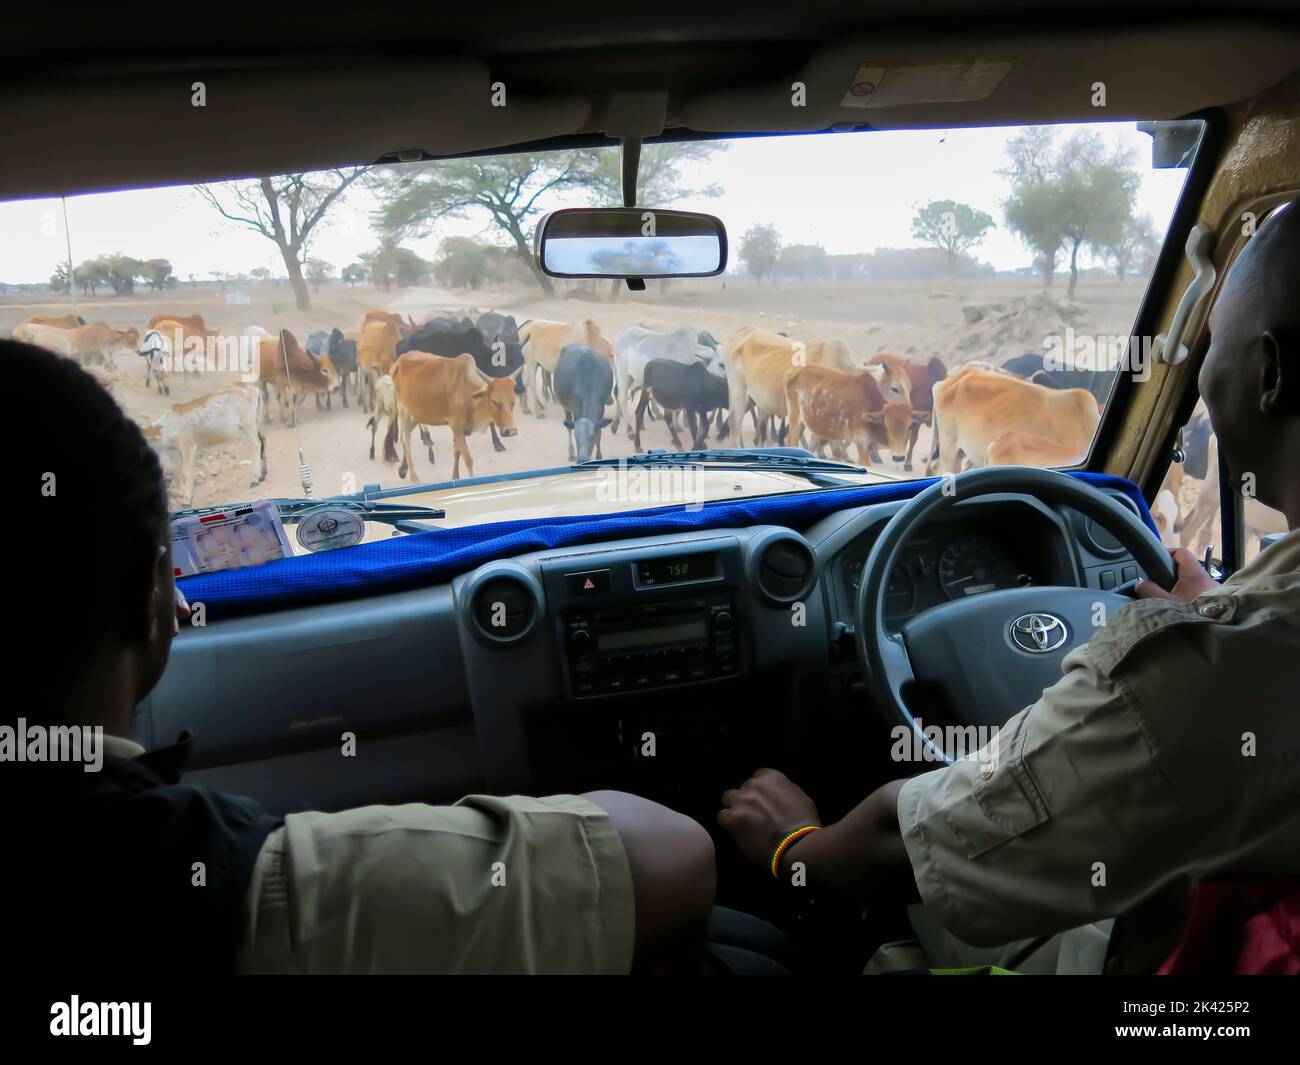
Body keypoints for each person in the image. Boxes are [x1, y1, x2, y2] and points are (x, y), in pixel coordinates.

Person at [2, 338, 714, 974]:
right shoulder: (227, 890)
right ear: (148, 595)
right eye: (176, 576)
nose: (188, 606)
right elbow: (672, 857)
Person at [719, 201, 1300, 974]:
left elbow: (910, 840)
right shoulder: (1256, 618)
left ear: (1268, 373)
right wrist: (1213, 619)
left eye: (1212, 342)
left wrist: (796, 845)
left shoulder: (1192, 681)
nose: (1197, 370)